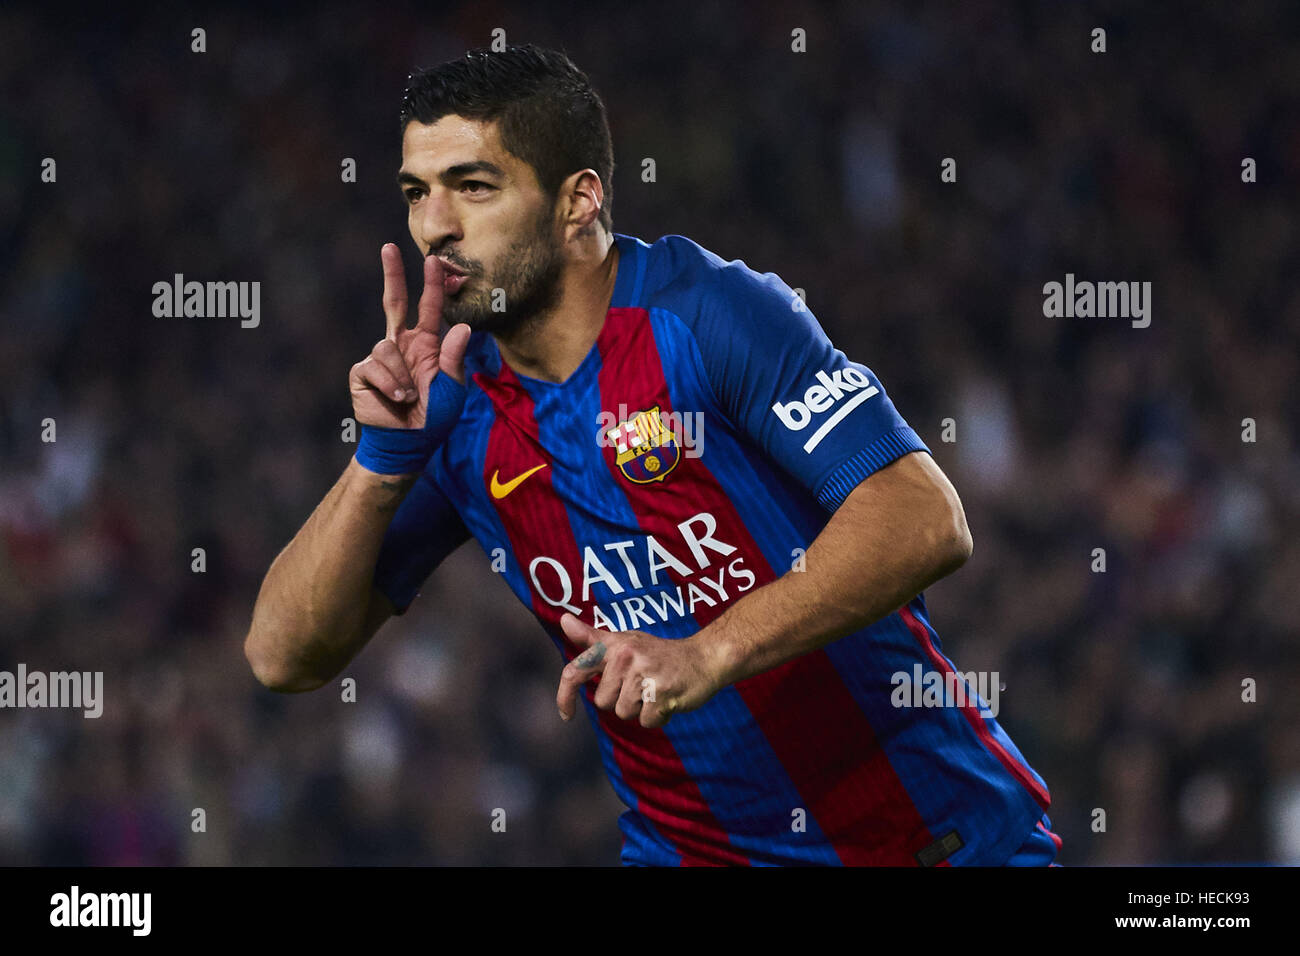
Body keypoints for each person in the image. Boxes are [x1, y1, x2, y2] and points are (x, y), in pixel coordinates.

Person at [244, 43, 1058, 866]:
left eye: (473, 186)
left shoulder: (706, 315)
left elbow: (926, 519)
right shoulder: (451, 404)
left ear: (578, 201)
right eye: (418, 193)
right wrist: (380, 462)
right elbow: (283, 656)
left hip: (934, 840)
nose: (434, 227)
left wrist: (708, 651)